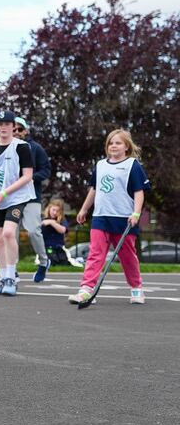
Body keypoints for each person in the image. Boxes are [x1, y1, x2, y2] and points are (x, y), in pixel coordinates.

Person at [68, 129, 151, 306]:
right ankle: (86, 289)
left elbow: (139, 192)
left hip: (124, 218)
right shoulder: (100, 165)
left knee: (127, 256)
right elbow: (94, 189)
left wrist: (136, 213)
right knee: (95, 253)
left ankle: (136, 287)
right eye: (111, 143)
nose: (114, 146)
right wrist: (84, 209)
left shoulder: (132, 165)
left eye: (118, 143)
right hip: (101, 217)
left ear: (127, 146)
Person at [0, 110, 35, 297]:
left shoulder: (22, 147)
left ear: (13, 127)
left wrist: (4, 192)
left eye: (7, 124)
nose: (3, 127)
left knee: (8, 233)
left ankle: (11, 277)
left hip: (17, 197)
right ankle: (2, 278)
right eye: (0, 124)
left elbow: (27, 176)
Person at [14, 117, 52, 282]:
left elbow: (46, 171)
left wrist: (29, 178)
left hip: (31, 197)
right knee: (10, 233)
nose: (16, 132)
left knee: (32, 230)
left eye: (19, 129)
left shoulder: (35, 148)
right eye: (13, 129)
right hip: (12, 198)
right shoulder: (5, 149)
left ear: (26, 131)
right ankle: (11, 269)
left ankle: (44, 262)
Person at [41, 198, 71, 267]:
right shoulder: (43, 219)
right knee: (51, 261)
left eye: (57, 211)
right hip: (47, 247)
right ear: (49, 209)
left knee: (64, 263)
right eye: (53, 210)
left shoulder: (62, 220)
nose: (55, 213)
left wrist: (52, 222)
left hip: (59, 248)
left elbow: (63, 230)